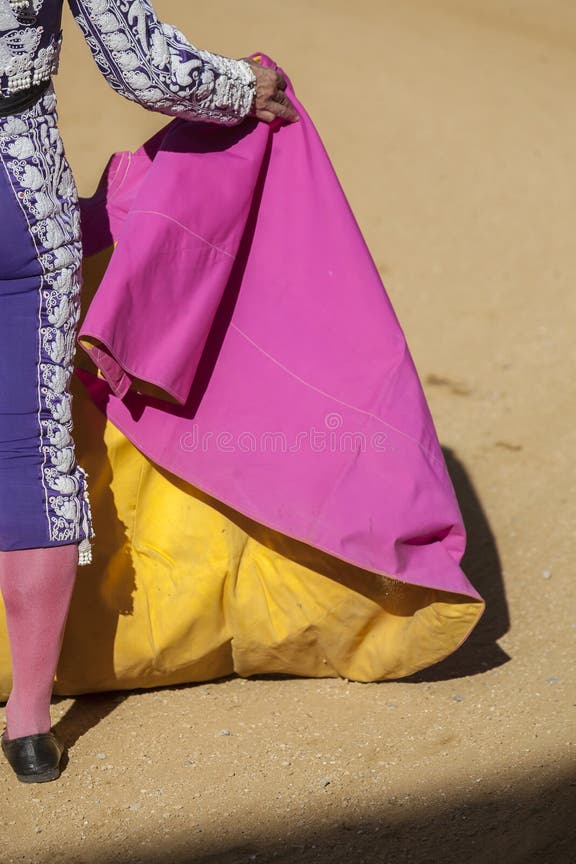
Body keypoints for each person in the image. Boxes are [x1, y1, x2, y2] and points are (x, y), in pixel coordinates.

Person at [0, 0, 297, 784]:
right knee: (32, 450)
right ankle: (28, 724)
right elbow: (138, 61)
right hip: (20, 193)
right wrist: (243, 84)